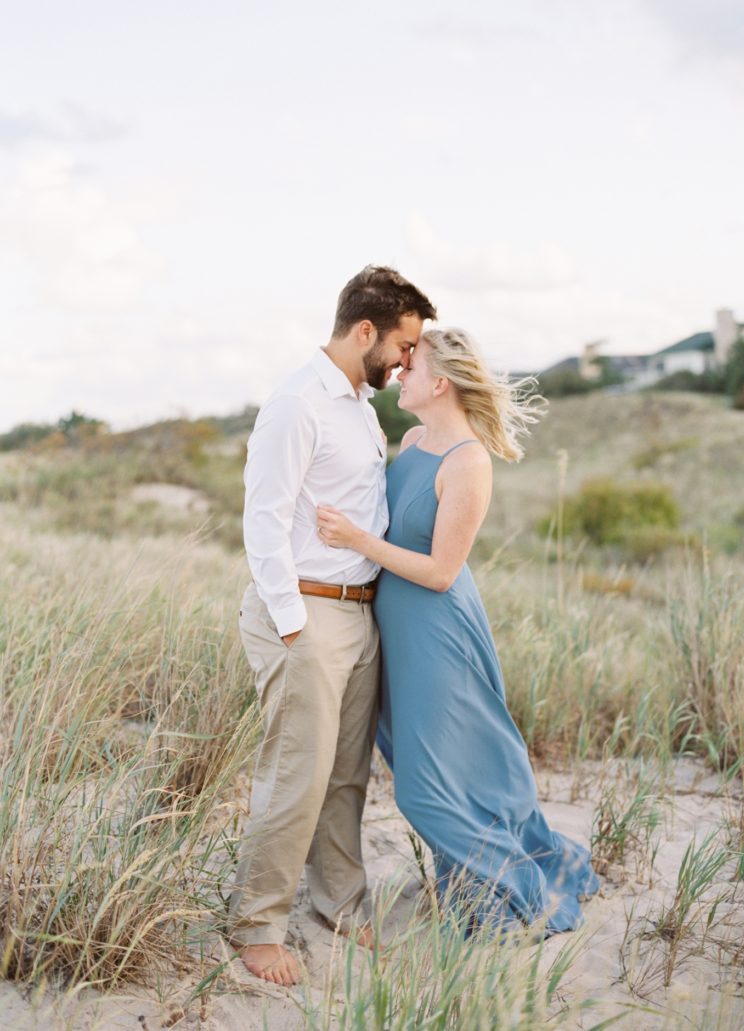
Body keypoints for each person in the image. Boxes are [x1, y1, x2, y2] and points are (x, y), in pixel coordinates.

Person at [317, 328, 600, 938]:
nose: (399, 372)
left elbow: (443, 573)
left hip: (438, 633)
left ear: (439, 383)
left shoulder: (469, 462)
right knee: (429, 765)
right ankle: (469, 881)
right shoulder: (414, 439)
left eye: (410, 365)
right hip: (395, 628)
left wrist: (360, 543)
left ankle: (512, 883)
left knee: (424, 789)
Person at [227, 266, 437, 986]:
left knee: (346, 776)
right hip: (306, 612)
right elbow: (264, 520)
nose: (407, 361)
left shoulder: (359, 405)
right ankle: (257, 923)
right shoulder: (296, 403)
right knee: (297, 773)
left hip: (357, 612)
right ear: (367, 331)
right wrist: (292, 625)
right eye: (404, 346)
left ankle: (338, 902)